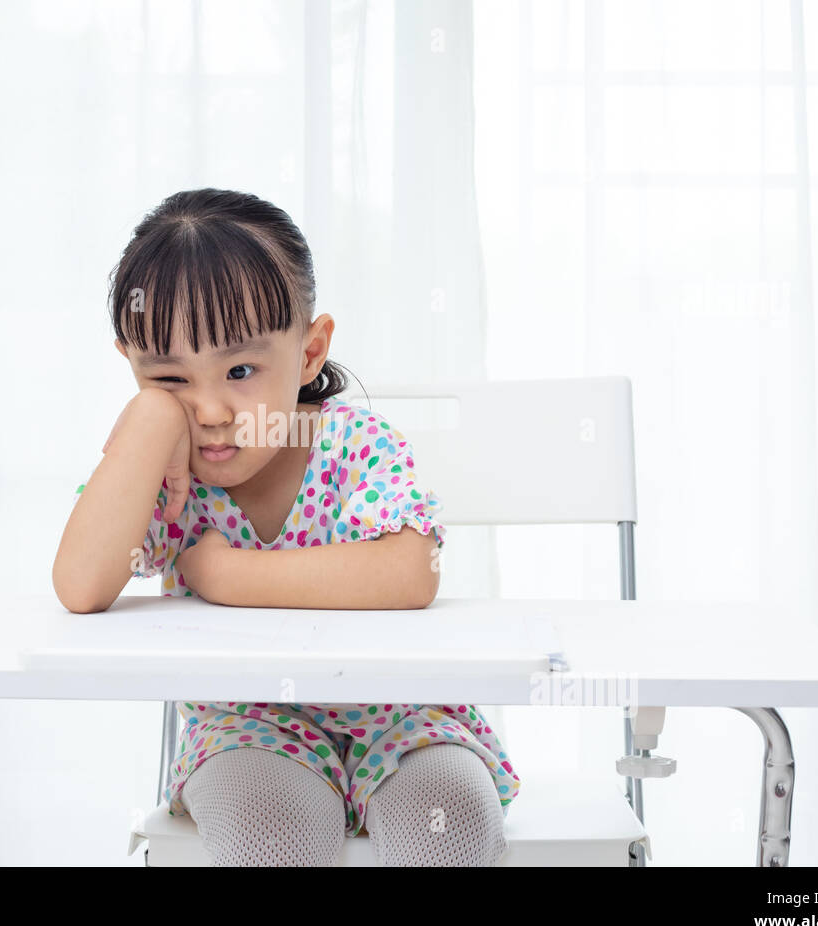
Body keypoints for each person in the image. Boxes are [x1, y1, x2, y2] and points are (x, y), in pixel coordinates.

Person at [52, 187, 520, 865]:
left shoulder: (353, 443)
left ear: (308, 352)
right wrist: (150, 421)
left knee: (448, 825)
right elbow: (80, 586)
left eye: (240, 370)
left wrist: (221, 573)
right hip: (248, 727)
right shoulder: (162, 474)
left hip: (408, 716)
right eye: (171, 377)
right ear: (131, 362)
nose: (209, 409)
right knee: (271, 834)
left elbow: (409, 572)